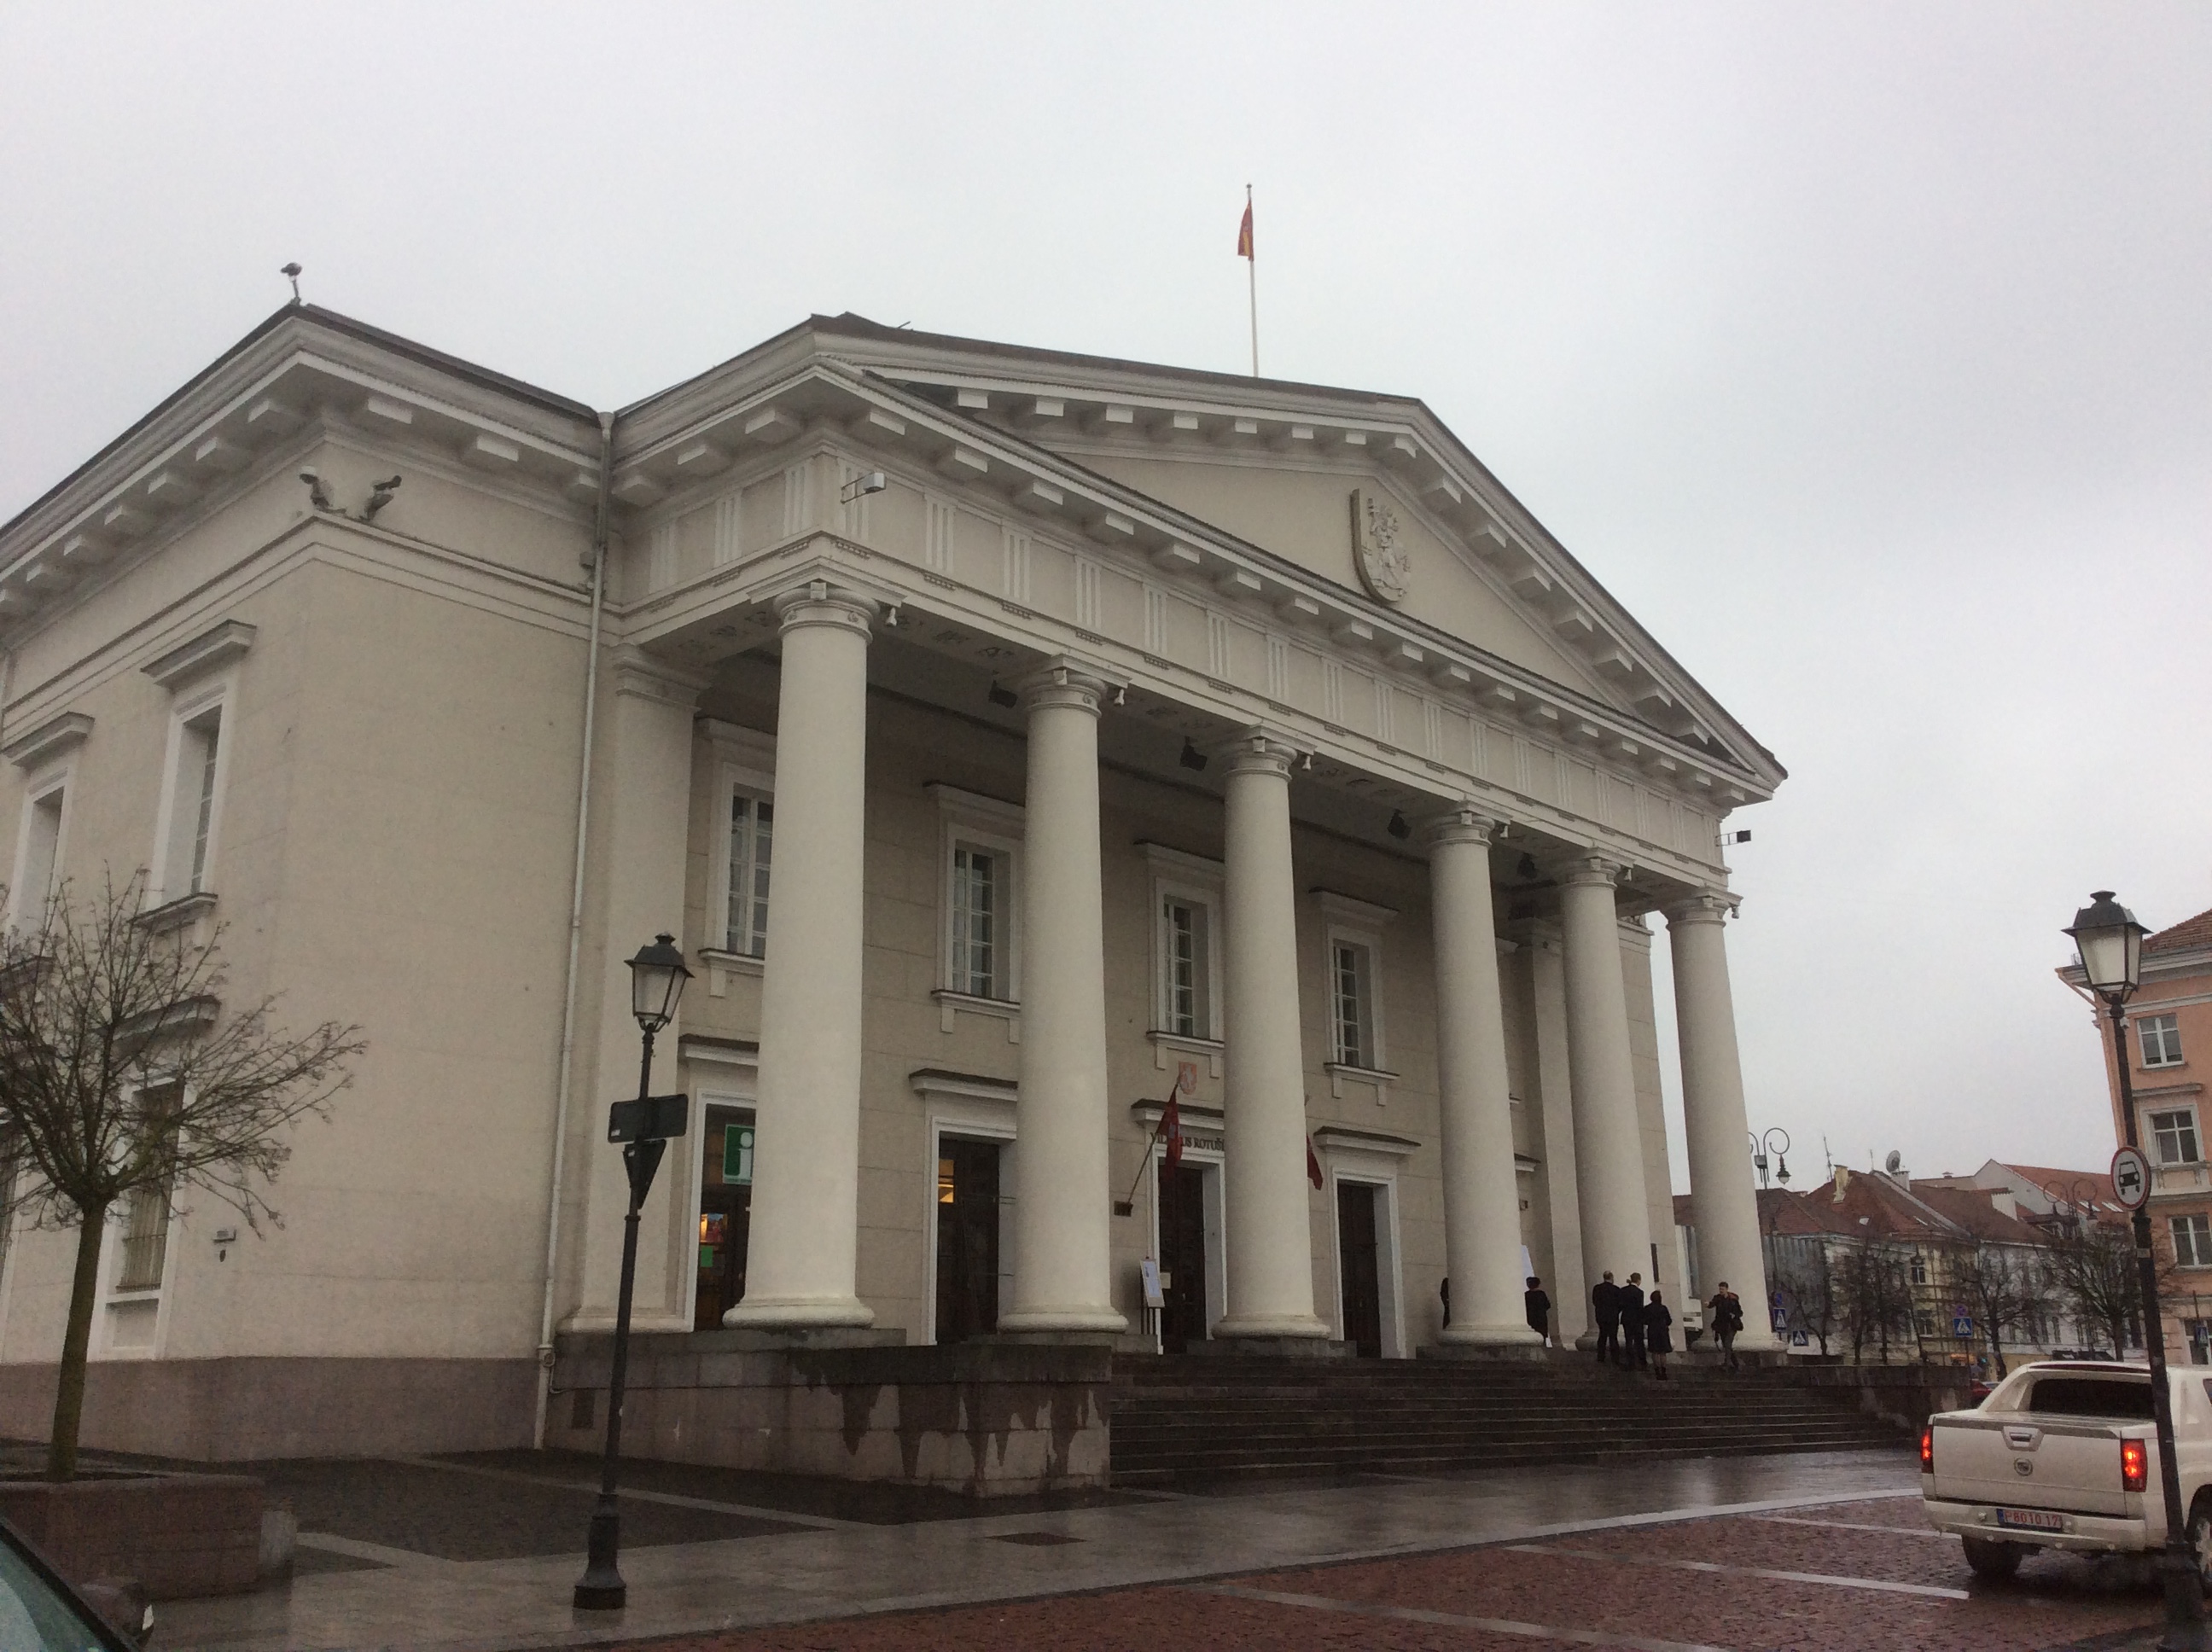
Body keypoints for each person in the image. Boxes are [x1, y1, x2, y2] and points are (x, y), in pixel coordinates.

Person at [1707, 1281, 1744, 1371]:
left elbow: (1740, 1312)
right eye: (1720, 1289)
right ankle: (1736, 1364)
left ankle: (1726, 1364)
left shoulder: (1733, 1299)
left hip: (1732, 1325)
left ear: (1727, 1289)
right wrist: (1708, 1304)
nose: (1721, 1291)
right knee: (1727, 1346)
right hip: (1722, 1325)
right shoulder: (1718, 1298)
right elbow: (1712, 1304)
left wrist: (1734, 1315)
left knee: (1727, 1344)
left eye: (1722, 1289)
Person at [1592, 1271, 1621, 1366]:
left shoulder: (1597, 1288)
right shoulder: (1616, 1289)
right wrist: (1616, 1312)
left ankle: (1601, 1356)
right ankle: (1615, 1358)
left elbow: (1595, 1301)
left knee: (1602, 1336)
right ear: (1612, 1278)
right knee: (1613, 1337)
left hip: (1601, 1316)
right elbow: (1620, 1304)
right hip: (1613, 1317)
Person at [1619, 1272, 1648, 1370]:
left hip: (1626, 1319)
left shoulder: (1623, 1291)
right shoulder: (1639, 1292)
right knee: (1639, 1341)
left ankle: (1630, 1361)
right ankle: (1642, 1361)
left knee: (1628, 1340)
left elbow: (1621, 1305)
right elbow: (1639, 1307)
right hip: (1637, 1320)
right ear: (1639, 1280)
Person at [1645, 1288, 1674, 1380]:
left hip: (1652, 1331)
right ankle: (1664, 1371)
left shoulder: (1648, 1308)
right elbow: (1669, 1321)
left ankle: (1657, 1372)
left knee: (1655, 1352)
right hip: (1662, 1331)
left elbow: (1644, 1320)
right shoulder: (1663, 1308)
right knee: (1662, 1352)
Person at [1524, 1276, 1551, 1344]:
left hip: (1530, 1318)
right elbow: (1547, 1305)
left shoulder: (1526, 1295)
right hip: (1541, 1318)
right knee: (1542, 1337)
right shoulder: (1541, 1294)